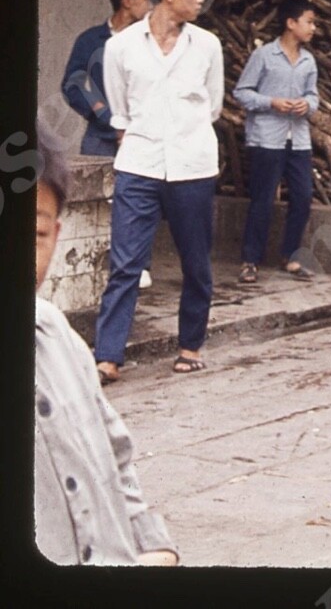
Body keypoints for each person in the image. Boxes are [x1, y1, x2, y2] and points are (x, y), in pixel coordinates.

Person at [34, 115, 181, 566]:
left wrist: (152, 544)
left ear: (56, 237)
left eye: (33, 235)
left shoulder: (58, 337)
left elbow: (116, 455)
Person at [94, 0, 223, 383]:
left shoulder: (207, 46)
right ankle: (109, 355)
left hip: (193, 166)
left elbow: (214, 105)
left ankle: (190, 344)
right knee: (126, 263)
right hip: (139, 166)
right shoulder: (121, 47)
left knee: (196, 262)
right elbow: (120, 106)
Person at [234, 0, 321, 284]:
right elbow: (242, 92)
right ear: (290, 23)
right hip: (266, 138)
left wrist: (306, 105)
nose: (313, 29)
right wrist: (272, 102)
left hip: (298, 139)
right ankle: (250, 260)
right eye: (309, 22)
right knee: (262, 200)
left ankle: (290, 255)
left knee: (303, 196)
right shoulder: (264, 56)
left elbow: (313, 95)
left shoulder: (309, 60)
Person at [62, 0, 150, 157]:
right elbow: (72, 83)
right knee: (92, 184)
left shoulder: (148, 41)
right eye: (145, 0)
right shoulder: (90, 40)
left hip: (141, 137)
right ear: (127, 1)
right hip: (100, 136)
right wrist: (95, 109)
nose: (150, 7)